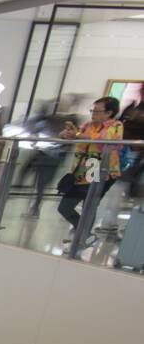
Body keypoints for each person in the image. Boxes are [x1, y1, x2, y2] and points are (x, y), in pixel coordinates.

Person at [57, 96, 123, 244]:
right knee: (65, 207)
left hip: (102, 171)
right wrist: (66, 134)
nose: (94, 114)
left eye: (98, 111)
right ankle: (84, 233)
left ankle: (83, 236)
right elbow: (76, 137)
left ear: (109, 113)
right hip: (81, 172)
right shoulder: (87, 125)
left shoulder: (116, 125)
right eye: (92, 110)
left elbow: (105, 140)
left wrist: (79, 135)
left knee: (90, 205)